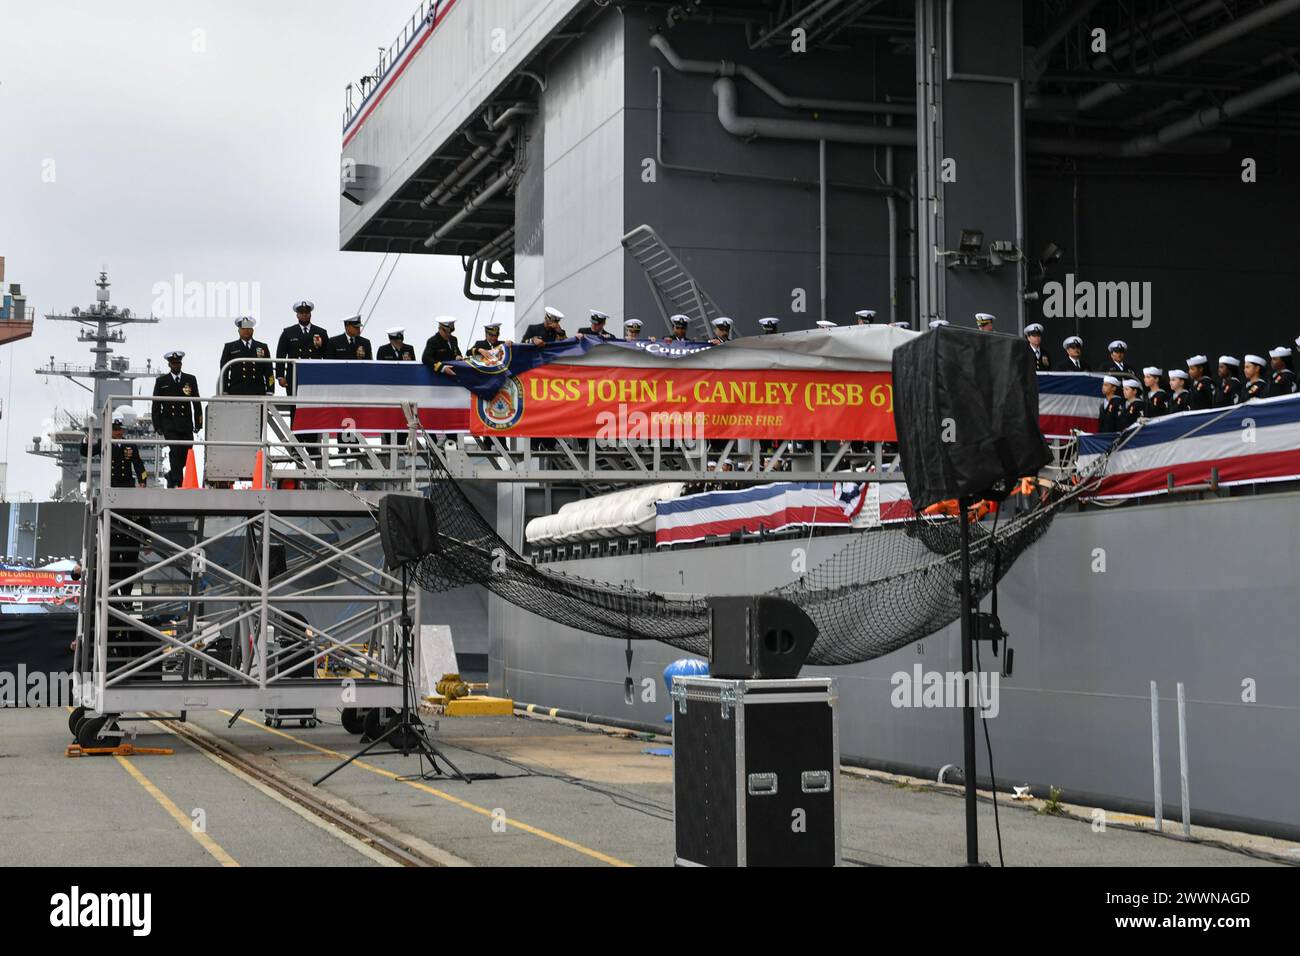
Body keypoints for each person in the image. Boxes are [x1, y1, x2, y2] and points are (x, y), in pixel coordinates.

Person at [151, 350, 203, 488]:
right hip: (169, 423)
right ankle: (178, 481)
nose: (176, 365)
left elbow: (196, 402)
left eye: (178, 363)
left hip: (185, 422)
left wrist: (199, 422)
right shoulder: (162, 381)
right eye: (174, 363)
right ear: (169, 365)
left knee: (187, 452)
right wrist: (157, 425)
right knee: (175, 450)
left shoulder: (190, 380)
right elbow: (156, 405)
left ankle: (172, 474)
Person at [275, 299, 328, 394]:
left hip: (315, 373)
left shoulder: (321, 332)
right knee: (294, 405)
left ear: (310, 314)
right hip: (294, 374)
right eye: (301, 312)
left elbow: (327, 355)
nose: (304, 315)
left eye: (307, 312)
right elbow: (281, 354)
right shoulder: (288, 332)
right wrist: (280, 376)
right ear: (297, 315)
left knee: (314, 404)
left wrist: (327, 374)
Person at [220, 316, 274, 396]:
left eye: (248, 328)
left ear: (252, 330)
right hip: (237, 390)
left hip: (258, 390)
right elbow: (224, 371)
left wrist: (270, 390)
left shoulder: (262, 347)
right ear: (239, 330)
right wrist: (225, 390)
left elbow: (269, 371)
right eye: (243, 329)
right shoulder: (230, 347)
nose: (246, 331)